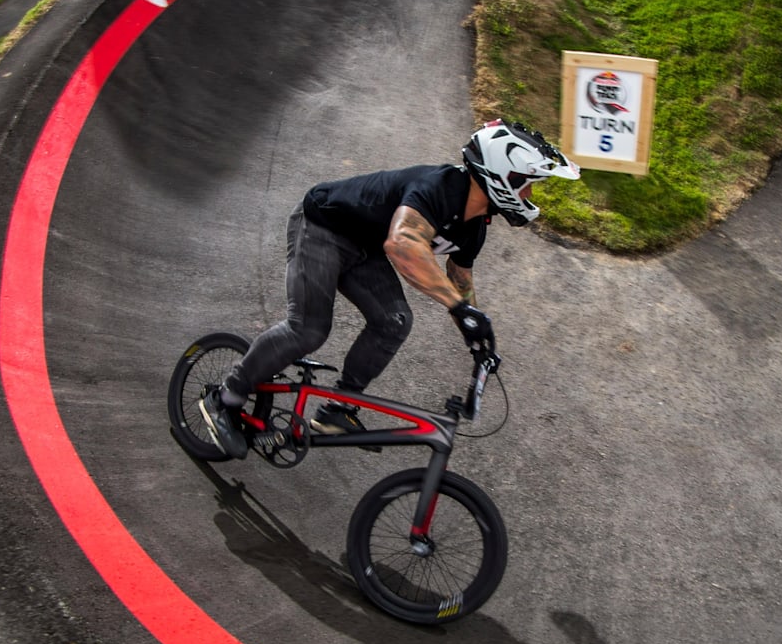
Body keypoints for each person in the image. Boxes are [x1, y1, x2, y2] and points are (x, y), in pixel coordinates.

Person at [199, 120, 580, 459]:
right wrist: (458, 308)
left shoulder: (475, 226)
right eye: (529, 185)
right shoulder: (440, 188)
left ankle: (338, 408)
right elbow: (401, 243)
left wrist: (475, 331)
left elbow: (459, 277)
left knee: (394, 321)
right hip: (322, 230)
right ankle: (225, 398)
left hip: (364, 248)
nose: (531, 196)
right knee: (309, 329)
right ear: (503, 178)